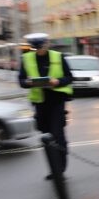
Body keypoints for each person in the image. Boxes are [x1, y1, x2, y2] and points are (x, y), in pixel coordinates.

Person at [18, 33, 74, 179]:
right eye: (36, 48)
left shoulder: (58, 56)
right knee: (46, 138)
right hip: (40, 105)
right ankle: (53, 170)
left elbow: (69, 77)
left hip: (56, 102)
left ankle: (60, 170)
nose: (40, 50)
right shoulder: (26, 58)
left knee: (58, 136)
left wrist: (58, 82)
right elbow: (21, 81)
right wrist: (28, 82)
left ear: (47, 43)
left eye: (42, 46)